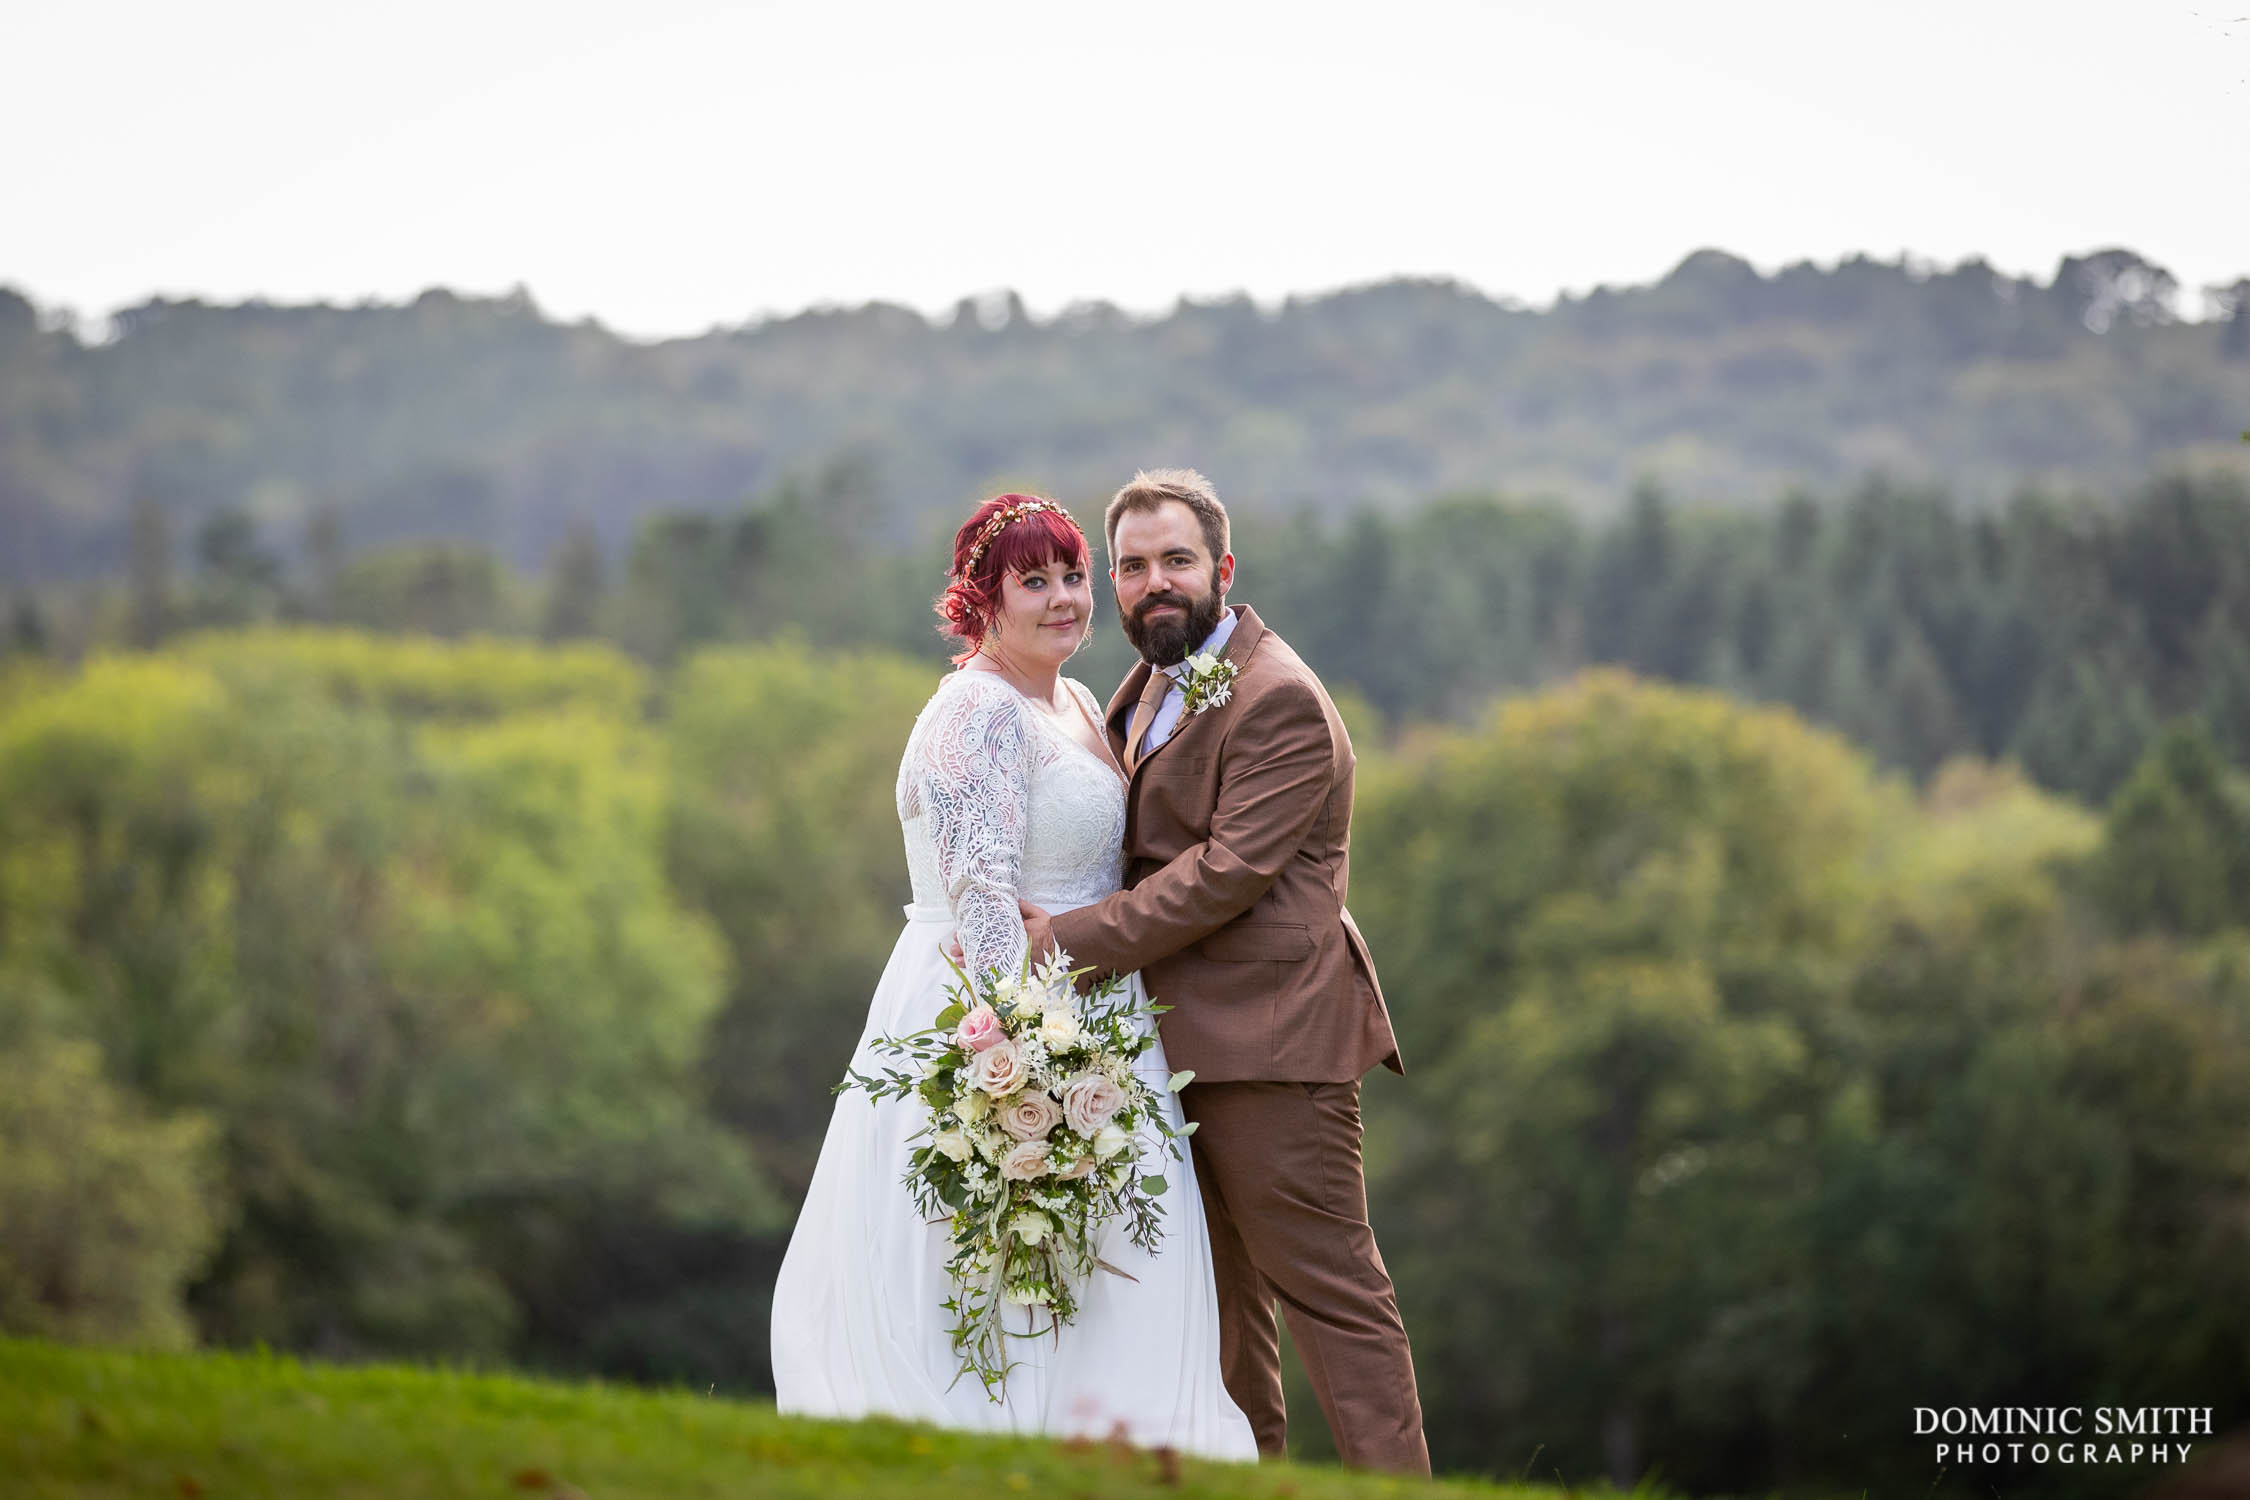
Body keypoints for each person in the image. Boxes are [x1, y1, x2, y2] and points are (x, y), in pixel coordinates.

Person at [770, 493, 1256, 1460]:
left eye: (1075, 575)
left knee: (1117, 1276)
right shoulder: (977, 712)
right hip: (999, 1017)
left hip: (1096, 1008)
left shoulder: (1072, 699)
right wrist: (1022, 1057)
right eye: (1033, 581)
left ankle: (1119, 1457)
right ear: (980, 598)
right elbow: (982, 888)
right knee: (1005, 1266)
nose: (1064, 599)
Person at [1023, 468, 1430, 1474]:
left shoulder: (1279, 698)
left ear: (1223, 569)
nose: (1153, 581)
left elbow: (1223, 876)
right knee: (1216, 1310)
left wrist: (1061, 941)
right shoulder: (1155, 674)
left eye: (1175, 561)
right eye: (1132, 566)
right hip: (1172, 1041)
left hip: (1274, 1044)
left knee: (1331, 1297)